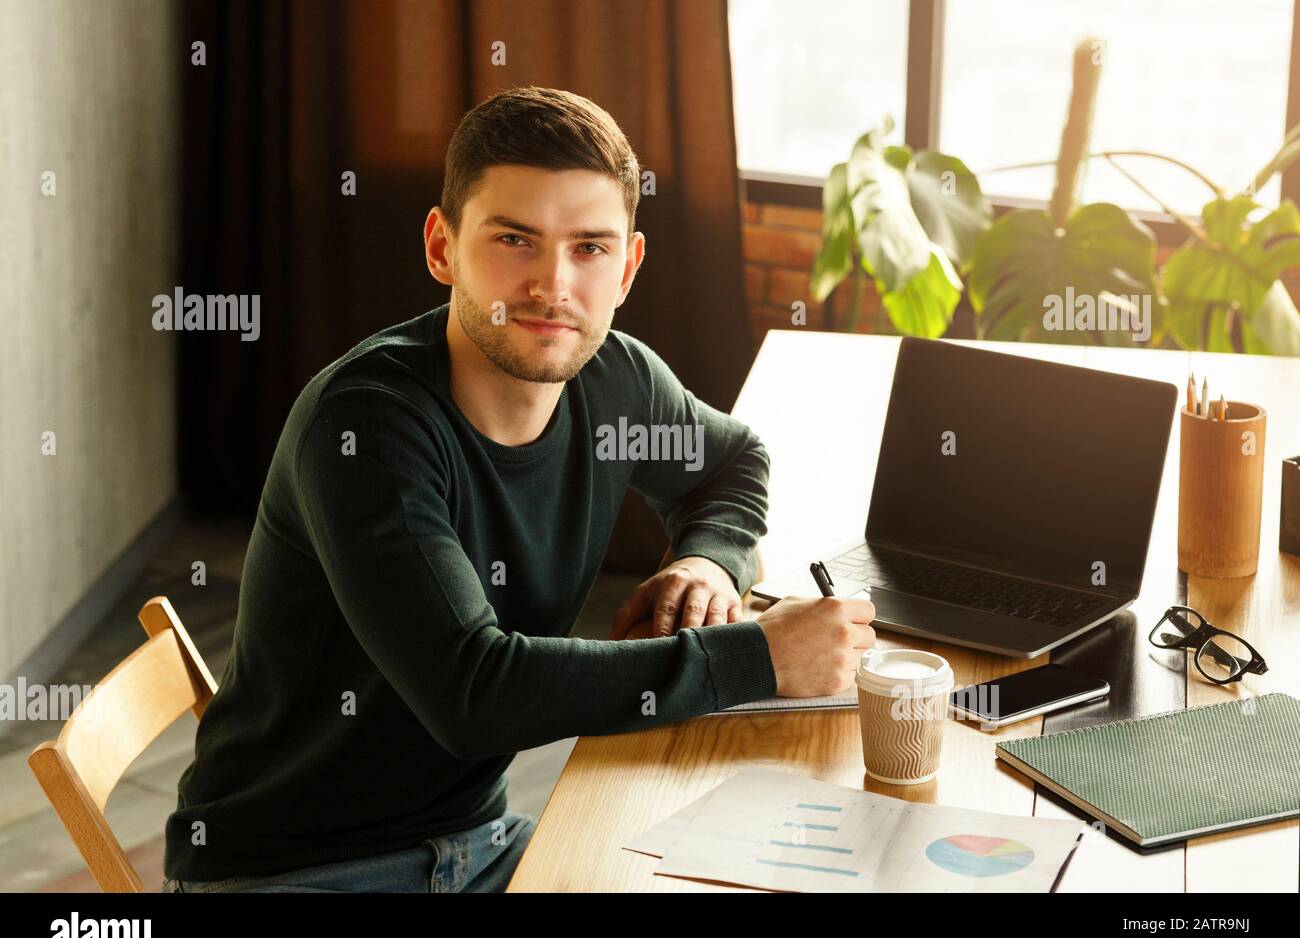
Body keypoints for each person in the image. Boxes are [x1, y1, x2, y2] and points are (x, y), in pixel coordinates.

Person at [162, 85, 875, 894]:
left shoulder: (617, 382)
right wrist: (759, 657)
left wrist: (709, 563)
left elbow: (731, 462)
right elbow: (474, 693)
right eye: (514, 239)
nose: (553, 285)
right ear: (442, 247)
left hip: (478, 841)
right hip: (299, 870)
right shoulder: (365, 429)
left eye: (590, 248)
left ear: (629, 266)